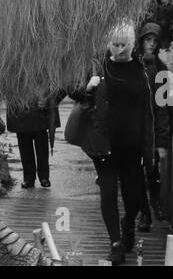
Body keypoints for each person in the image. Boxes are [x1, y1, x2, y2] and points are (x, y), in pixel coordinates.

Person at [69, 21, 162, 264]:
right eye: (114, 44)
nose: (119, 49)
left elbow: (149, 111)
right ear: (108, 44)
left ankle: (128, 223)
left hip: (132, 147)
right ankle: (116, 243)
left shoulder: (141, 71)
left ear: (132, 45)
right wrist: (88, 88)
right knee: (108, 194)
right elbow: (71, 90)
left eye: (124, 45)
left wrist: (151, 144)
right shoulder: (99, 68)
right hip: (104, 145)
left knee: (133, 197)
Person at [134, 23, 173, 230]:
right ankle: (144, 213)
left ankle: (155, 204)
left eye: (154, 40)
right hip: (133, 127)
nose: (151, 44)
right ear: (141, 40)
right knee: (136, 174)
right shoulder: (132, 63)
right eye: (148, 39)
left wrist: (162, 140)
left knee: (151, 171)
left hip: (151, 129)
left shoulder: (161, 68)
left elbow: (162, 106)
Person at [6, 93, 61, 188]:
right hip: (21, 114)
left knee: (42, 150)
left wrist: (47, 101)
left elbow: (55, 89)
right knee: (25, 150)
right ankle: (29, 178)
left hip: (39, 115)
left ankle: (44, 177)